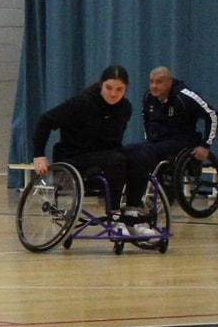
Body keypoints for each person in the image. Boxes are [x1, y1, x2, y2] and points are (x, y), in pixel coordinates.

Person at [30, 64, 148, 224]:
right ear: (101, 84)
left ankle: (132, 213)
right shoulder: (82, 103)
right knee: (116, 159)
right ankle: (114, 216)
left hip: (105, 154)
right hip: (75, 156)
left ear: (126, 89)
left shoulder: (125, 108)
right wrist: (38, 154)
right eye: (108, 88)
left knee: (141, 157)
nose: (113, 94)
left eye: (119, 89)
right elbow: (46, 120)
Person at [135, 66, 218, 175]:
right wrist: (149, 138)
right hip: (157, 141)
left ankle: (150, 182)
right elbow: (146, 118)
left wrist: (205, 146)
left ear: (169, 82)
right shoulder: (148, 97)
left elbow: (213, 115)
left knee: (148, 151)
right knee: (128, 151)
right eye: (151, 82)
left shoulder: (184, 96)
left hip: (182, 141)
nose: (154, 86)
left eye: (159, 82)